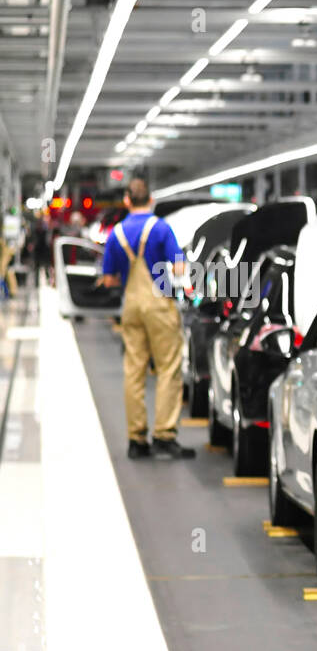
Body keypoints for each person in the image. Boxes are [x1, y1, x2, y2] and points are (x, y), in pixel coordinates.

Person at [99, 178, 195, 459]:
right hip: (159, 304)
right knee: (168, 368)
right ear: (150, 199)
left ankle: (136, 439)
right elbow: (178, 268)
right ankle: (164, 435)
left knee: (134, 370)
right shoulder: (161, 228)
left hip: (131, 306)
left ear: (127, 200)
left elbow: (108, 280)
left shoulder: (116, 233)